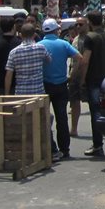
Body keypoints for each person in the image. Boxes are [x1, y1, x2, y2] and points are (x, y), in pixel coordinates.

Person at [79, 11, 105, 157]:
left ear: (90, 22)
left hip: (94, 79)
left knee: (96, 111)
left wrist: (82, 79)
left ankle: (98, 145)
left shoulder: (90, 38)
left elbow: (85, 61)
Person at [39, 18, 81, 160]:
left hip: (44, 85)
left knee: (44, 118)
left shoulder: (39, 45)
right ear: (56, 30)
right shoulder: (63, 44)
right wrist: (72, 75)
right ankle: (65, 149)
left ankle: (50, 147)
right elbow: (80, 58)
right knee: (61, 118)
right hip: (61, 84)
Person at [4, 23, 49, 99]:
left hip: (21, 94)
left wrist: (7, 94)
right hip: (38, 92)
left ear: (20, 35)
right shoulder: (41, 48)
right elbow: (49, 60)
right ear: (34, 35)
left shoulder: (14, 52)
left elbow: (9, 75)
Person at [67, 17, 89, 137]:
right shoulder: (76, 38)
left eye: (81, 24)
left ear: (87, 25)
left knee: (93, 103)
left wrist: (74, 74)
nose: (78, 27)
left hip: (84, 75)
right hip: (75, 75)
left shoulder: (89, 38)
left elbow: (81, 60)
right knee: (74, 102)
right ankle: (74, 128)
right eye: (77, 25)